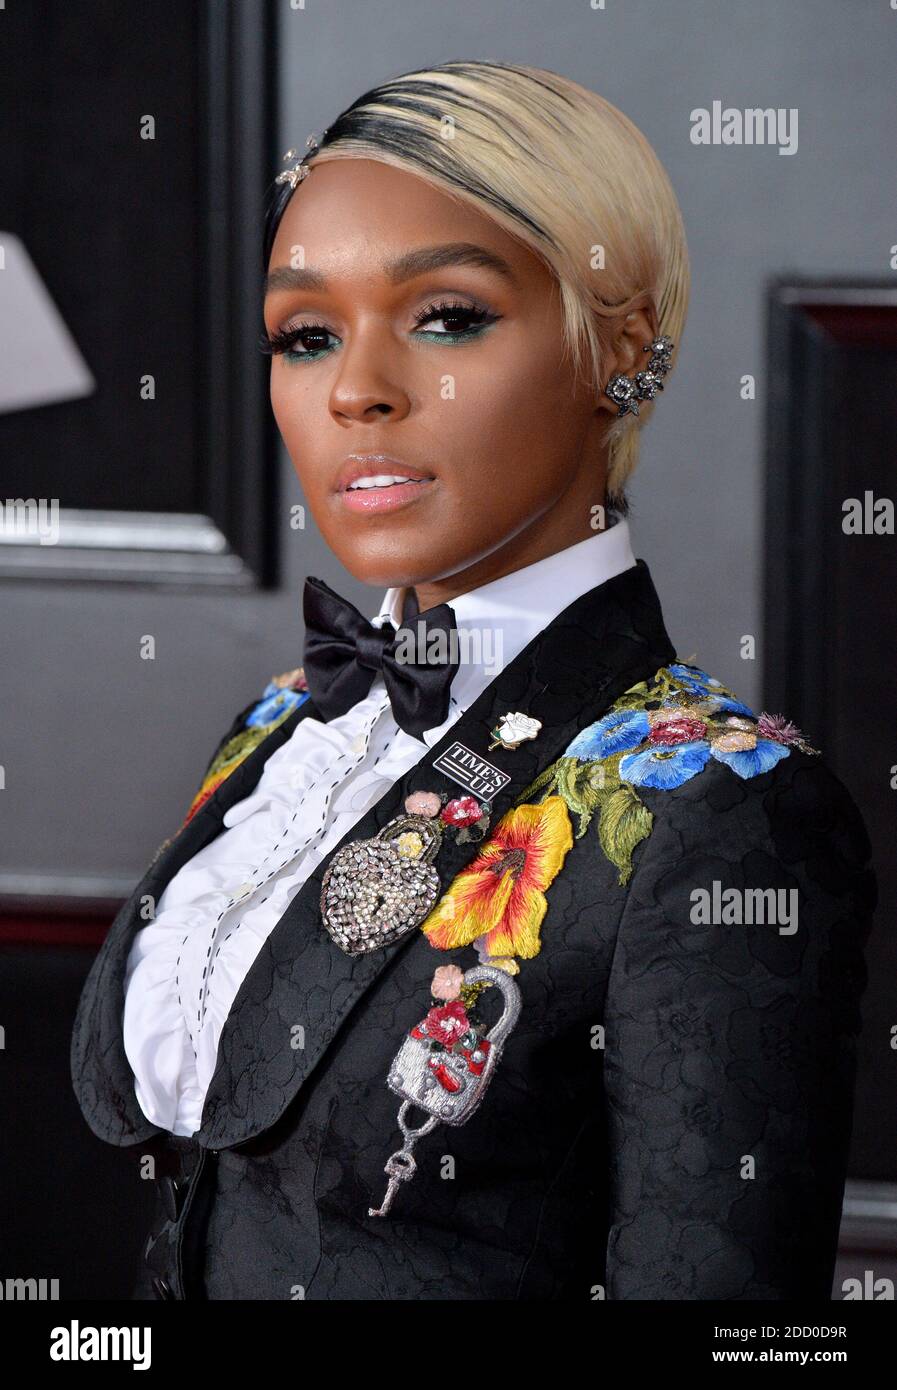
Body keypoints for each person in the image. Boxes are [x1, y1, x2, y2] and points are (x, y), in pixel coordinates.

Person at [71, 59, 875, 1301]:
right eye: (306, 334)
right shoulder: (285, 726)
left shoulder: (725, 809)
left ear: (621, 344)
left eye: (445, 316)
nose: (357, 390)